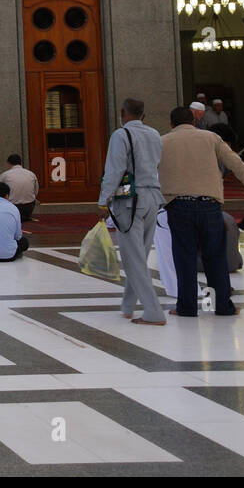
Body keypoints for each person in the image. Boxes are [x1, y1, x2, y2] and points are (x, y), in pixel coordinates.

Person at [160, 105, 244, 318]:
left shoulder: (162, 142)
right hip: (209, 206)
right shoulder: (211, 138)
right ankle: (222, 306)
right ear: (193, 122)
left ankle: (186, 308)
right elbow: (237, 165)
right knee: (215, 257)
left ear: (171, 124)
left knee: (184, 257)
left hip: (178, 206)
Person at [97, 98, 167, 325]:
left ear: (122, 112)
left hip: (130, 200)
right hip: (152, 197)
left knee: (132, 258)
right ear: (143, 114)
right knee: (139, 255)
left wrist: (103, 199)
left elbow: (115, 169)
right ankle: (127, 305)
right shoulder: (155, 134)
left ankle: (153, 312)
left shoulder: (121, 135)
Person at [0, 154, 39, 223]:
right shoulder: (31, 174)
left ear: (8, 163)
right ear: (20, 163)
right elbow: (36, 191)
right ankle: (25, 217)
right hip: (28, 207)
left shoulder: (5, 175)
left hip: (11, 208)